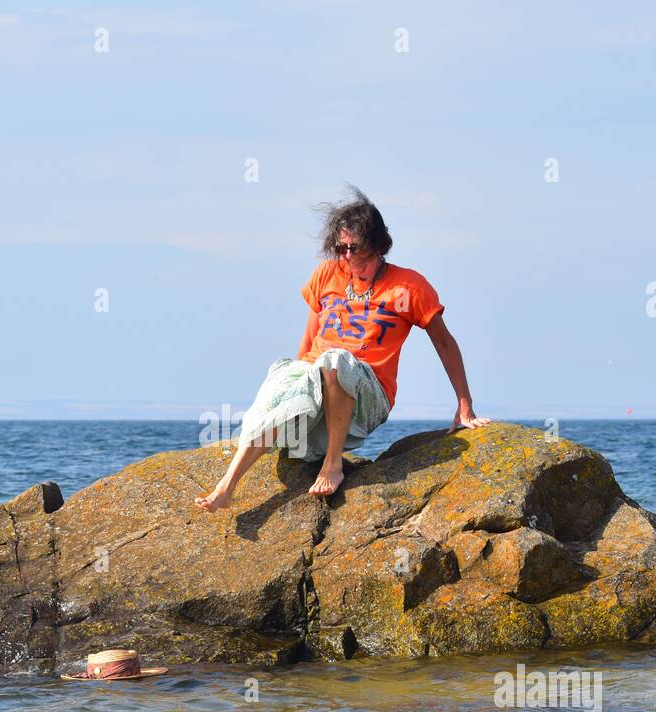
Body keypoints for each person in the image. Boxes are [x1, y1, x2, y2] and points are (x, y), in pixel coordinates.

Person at [194, 186, 491, 512]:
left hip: (369, 393)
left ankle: (333, 465)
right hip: (319, 376)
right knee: (282, 374)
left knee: (336, 361)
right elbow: (310, 339)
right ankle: (227, 486)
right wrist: (293, 388)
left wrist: (464, 404)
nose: (347, 256)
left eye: (355, 247)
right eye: (341, 247)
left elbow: (444, 342)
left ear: (379, 245)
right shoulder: (326, 275)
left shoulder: (408, 287)